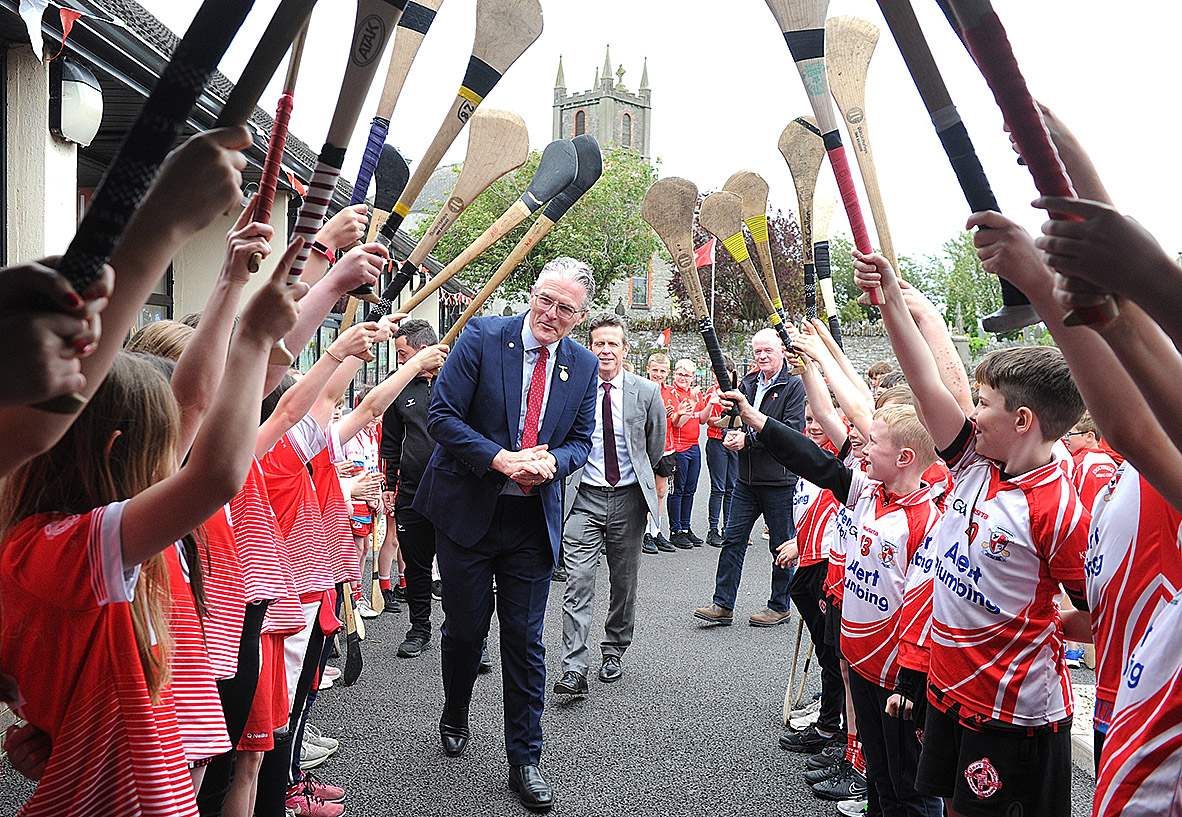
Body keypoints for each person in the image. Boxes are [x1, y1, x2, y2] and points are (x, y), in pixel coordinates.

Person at [0, 244, 304, 816]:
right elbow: (215, 475)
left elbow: (189, 405)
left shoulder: (33, 539)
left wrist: (229, 281)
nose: (177, 461)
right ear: (118, 453)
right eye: (165, 452)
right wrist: (252, 340)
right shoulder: (67, 549)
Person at [854, 249, 1089, 817]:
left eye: (982, 405)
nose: (972, 414)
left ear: (1023, 421)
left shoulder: (1058, 509)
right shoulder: (973, 466)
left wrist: (1038, 623)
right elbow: (924, 379)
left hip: (1016, 719)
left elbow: (1102, 615)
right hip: (950, 694)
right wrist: (891, 303)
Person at [413, 257, 599, 811]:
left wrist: (551, 465)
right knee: (467, 631)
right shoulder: (482, 336)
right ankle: (455, 710)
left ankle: (526, 758)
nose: (551, 314)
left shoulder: (583, 366)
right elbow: (443, 417)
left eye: (566, 309)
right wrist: (501, 459)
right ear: (533, 293)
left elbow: (581, 441)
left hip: (528, 524)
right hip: (469, 509)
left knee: (525, 640)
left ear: (579, 317)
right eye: (545, 300)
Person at [727, 390, 943, 814]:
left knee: (908, 791)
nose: (862, 451)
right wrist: (756, 420)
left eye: (874, 443)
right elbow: (813, 461)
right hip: (860, 666)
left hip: (894, 680)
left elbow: (923, 612)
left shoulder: (927, 521)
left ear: (904, 458)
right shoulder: (866, 492)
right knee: (879, 778)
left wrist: (909, 685)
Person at [553, 313, 665, 696]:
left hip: (629, 500)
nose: (605, 351)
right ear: (590, 347)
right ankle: (573, 667)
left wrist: (651, 498)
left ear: (625, 349)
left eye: (612, 344)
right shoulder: (572, 389)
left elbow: (654, 450)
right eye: (598, 343)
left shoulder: (647, 393)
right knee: (577, 583)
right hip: (583, 498)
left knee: (624, 582)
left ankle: (614, 648)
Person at [694, 328, 805, 628]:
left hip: (779, 480)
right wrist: (728, 414)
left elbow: (791, 432)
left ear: (782, 349)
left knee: (781, 546)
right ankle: (722, 604)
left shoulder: (794, 385)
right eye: (757, 351)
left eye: (768, 350)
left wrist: (749, 442)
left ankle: (779, 606)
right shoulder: (748, 381)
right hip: (746, 479)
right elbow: (737, 419)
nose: (762, 356)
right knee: (732, 541)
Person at [379, 319, 443, 657]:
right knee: (416, 565)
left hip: (454, 493)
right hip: (412, 491)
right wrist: (389, 485)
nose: (399, 361)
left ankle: (468, 635)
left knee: (461, 567)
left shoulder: (458, 380)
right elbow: (390, 440)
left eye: (403, 354)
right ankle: (419, 628)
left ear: (423, 350)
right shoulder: (398, 385)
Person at [700, 354, 739, 547]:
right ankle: (712, 529)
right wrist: (731, 421)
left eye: (724, 373)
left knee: (732, 487)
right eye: (716, 374)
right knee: (719, 487)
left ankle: (729, 527)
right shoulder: (713, 392)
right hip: (717, 441)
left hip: (735, 442)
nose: (720, 378)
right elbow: (710, 420)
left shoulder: (738, 391)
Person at [667, 359, 706, 547]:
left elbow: (702, 419)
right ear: (674, 374)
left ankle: (685, 527)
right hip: (679, 447)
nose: (683, 378)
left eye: (687, 375)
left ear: (692, 377)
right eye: (680, 374)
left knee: (691, 489)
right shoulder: (671, 393)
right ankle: (675, 530)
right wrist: (690, 402)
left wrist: (708, 403)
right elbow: (677, 423)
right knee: (678, 489)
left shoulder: (693, 394)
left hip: (694, 446)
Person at [642, 353, 678, 553]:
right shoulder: (640, 388)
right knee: (644, 493)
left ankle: (656, 531)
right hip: (647, 448)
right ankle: (644, 532)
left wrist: (679, 414)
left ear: (668, 373)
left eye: (662, 371)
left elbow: (677, 423)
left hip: (667, 447)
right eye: (655, 370)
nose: (658, 374)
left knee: (661, 492)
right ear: (648, 369)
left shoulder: (671, 392)